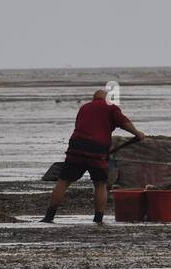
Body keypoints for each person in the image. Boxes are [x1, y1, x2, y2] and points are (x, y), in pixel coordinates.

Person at [41, 89, 145, 225]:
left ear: (94, 98)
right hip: (97, 149)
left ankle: (49, 217)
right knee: (100, 184)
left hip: (76, 146)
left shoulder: (84, 107)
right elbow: (124, 122)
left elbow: (79, 125)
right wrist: (137, 133)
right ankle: (98, 219)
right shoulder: (111, 107)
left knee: (64, 181)